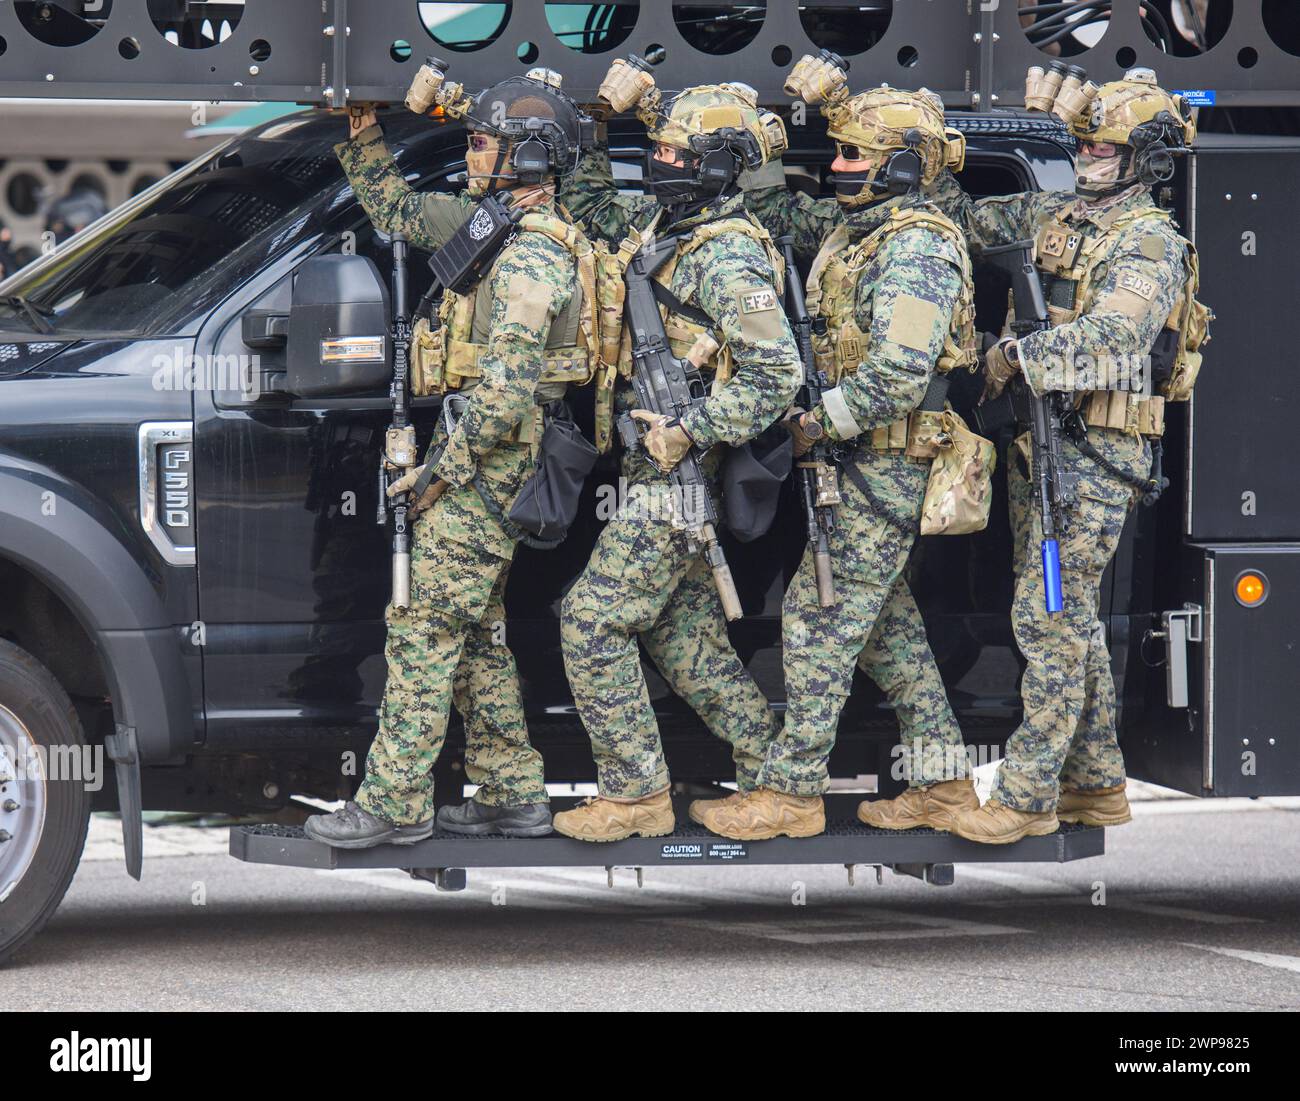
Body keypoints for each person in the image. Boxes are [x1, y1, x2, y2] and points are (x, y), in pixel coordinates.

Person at [304, 68, 599, 847]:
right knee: (473, 632)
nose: (469, 156)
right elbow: (400, 211)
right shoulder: (491, 227)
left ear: (529, 161)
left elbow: (504, 398)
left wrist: (439, 473)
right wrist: (364, 135)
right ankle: (512, 791)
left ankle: (396, 802)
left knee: (424, 622)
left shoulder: (533, 258)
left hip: (491, 461)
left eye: (481, 145)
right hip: (486, 455)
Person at [695, 67, 978, 842]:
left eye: (856, 155)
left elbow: (898, 372)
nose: (838, 166)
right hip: (859, 460)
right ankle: (946, 781)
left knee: (817, 617)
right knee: (888, 628)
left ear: (898, 167)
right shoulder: (865, 231)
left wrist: (815, 424)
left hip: (883, 462)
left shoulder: (917, 246)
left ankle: (791, 794)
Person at [926, 67, 1201, 843]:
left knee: (1047, 615)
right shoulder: (1065, 214)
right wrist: (938, 152)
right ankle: (1097, 783)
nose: (1088, 156)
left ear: (1144, 160)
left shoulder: (1149, 241)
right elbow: (969, 222)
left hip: (1096, 453)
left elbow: (1114, 339)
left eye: (1105, 147)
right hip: (1042, 443)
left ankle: (1027, 795)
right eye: (1083, 144)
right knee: (1068, 618)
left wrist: (1015, 354)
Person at [549, 63, 801, 842]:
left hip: (680, 474)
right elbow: (589, 205)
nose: (658, 164)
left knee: (589, 621)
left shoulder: (725, 254)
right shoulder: (671, 230)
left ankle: (636, 794)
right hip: (651, 465)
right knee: (684, 639)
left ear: (720, 167)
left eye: (674, 156)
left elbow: (776, 371)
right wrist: (597, 124)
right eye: (655, 152)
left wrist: (695, 430)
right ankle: (777, 777)